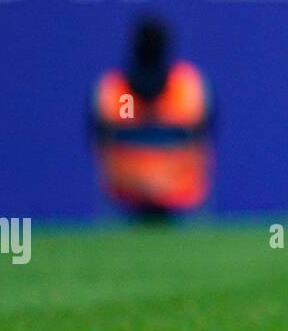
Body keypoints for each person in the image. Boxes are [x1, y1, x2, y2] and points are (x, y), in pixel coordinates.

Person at [91, 18, 213, 218]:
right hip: (126, 202)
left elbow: (205, 140)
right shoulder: (116, 90)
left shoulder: (188, 87)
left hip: (181, 201)